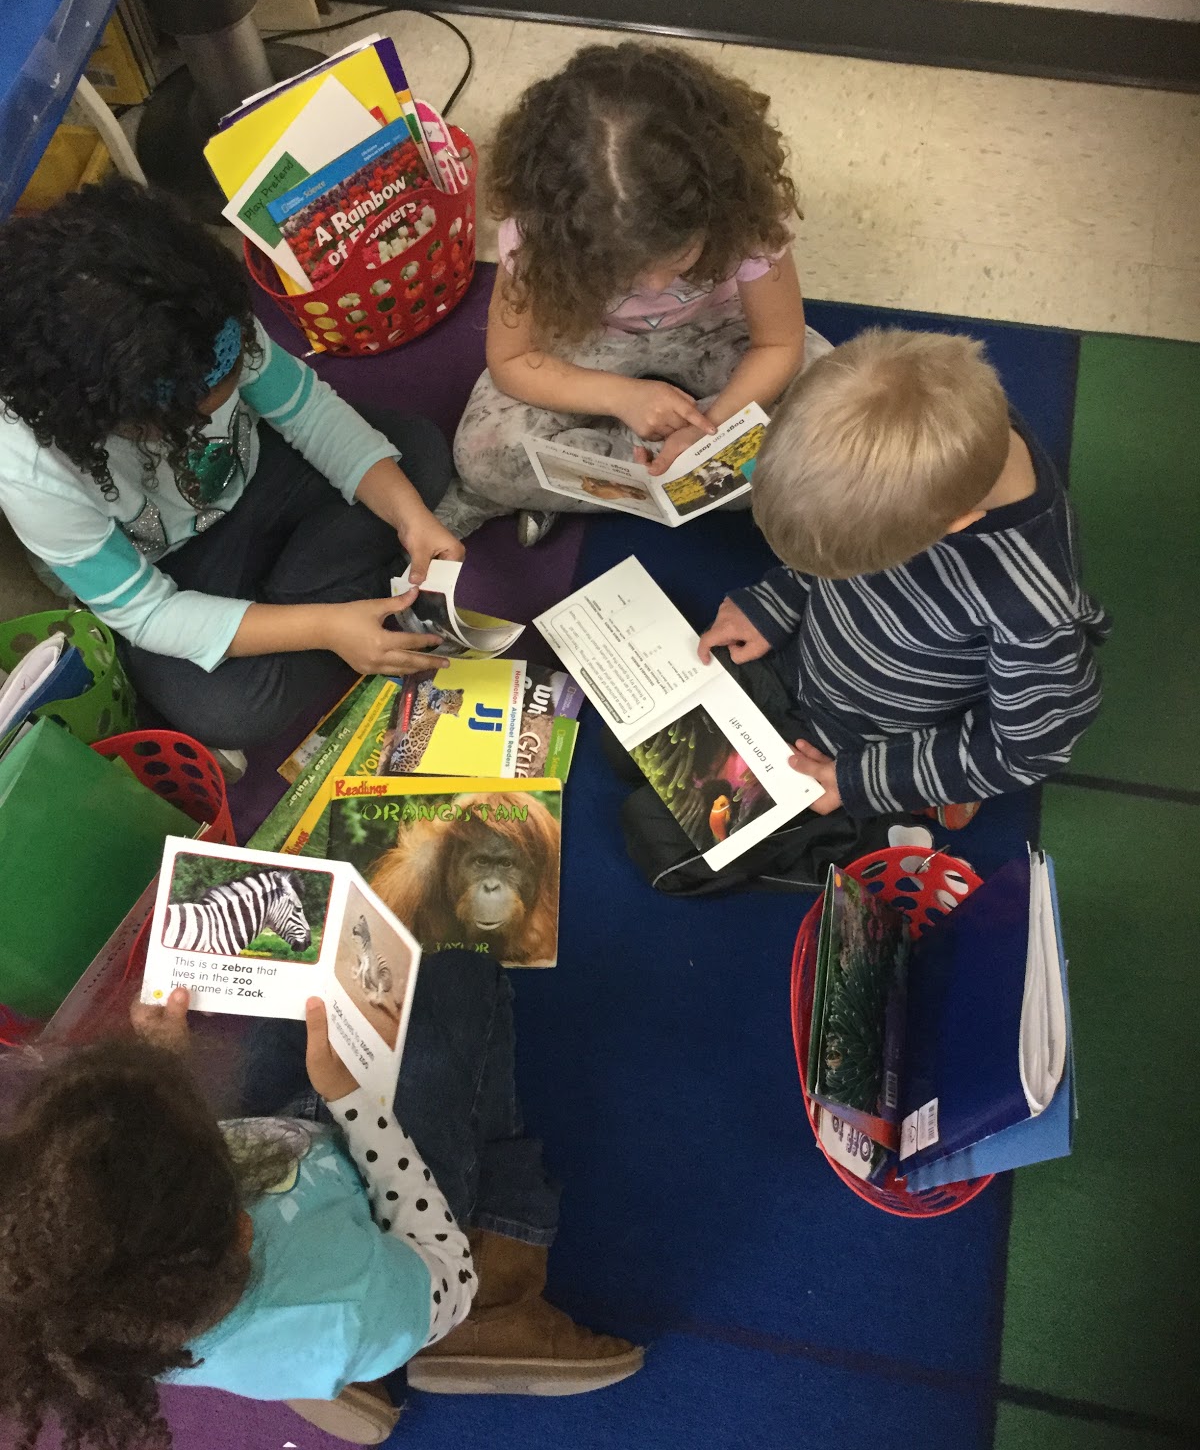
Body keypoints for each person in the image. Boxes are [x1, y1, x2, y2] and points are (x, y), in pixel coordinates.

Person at [0, 956, 642, 1450]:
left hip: (300, 1166)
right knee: (460, 980)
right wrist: (348, 1097)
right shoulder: (347, 1308)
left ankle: (323, 1375)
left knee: (304, 992)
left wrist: (163, 1067)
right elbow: (444, 1257)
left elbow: (157, 1172)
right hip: (388, 1215)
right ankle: (479, 1321)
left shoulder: (112, 1322)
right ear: (242, 1232)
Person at [619, 328, 1111, 892]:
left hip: (867, 747)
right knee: (627, 740)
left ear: (951, 526)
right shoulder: (938, 422)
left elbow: (1031, 747)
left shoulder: (1032, 606)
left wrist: (856, 782)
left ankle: (879, 826)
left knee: (661, 847)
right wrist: (778, 601)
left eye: (843, 568)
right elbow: (832, 526)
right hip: (804, 666)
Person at [0, 179, 464, 752]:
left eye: (233, 379)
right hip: (173, 565)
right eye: (196, 412)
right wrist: (322, 626)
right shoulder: (28, 468)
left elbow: (311, 417)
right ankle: (320, 614)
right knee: (230, 711)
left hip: (261, 475)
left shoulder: (197, 317)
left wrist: (408, 515)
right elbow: (146, 613)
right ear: (107, 415)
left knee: (416, 453)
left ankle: (305, 616)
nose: (230, 390)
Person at [434, 40, 832, 546]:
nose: (657, 287)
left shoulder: (746, 216)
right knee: (481, 453)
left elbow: (778, 344)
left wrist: (710, 425)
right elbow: (512, 359)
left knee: (834, 422)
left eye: (679, 261)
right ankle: (658, 479)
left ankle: (577, 484)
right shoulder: (537, 232)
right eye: (622, 272)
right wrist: (622, 397)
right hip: (587, 343)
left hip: (718, 330)